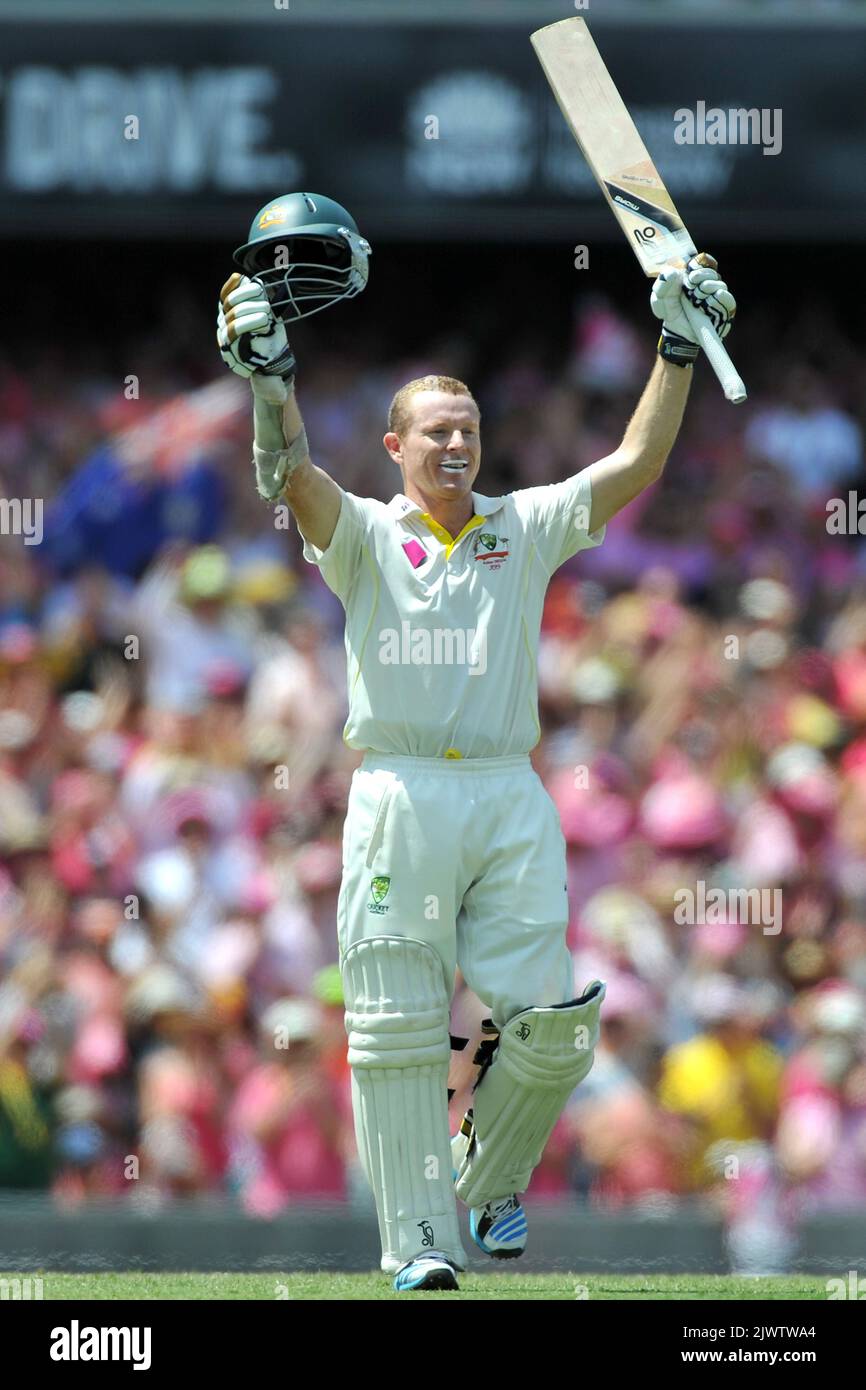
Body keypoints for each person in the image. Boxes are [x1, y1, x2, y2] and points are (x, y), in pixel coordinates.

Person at [216, 218, 736, 1290]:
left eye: (469, 429)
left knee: (551, 1024)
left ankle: (490, 1170)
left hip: (506, 791)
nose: (456, 445)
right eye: (434, 432)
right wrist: (271, 386)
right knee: (397, 1027)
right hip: (400, 789)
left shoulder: (525, 524)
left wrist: (674, 348)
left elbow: (635, 459)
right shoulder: (363, 532)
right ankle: (416, 1247)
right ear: (396, 449)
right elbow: (291, 475)